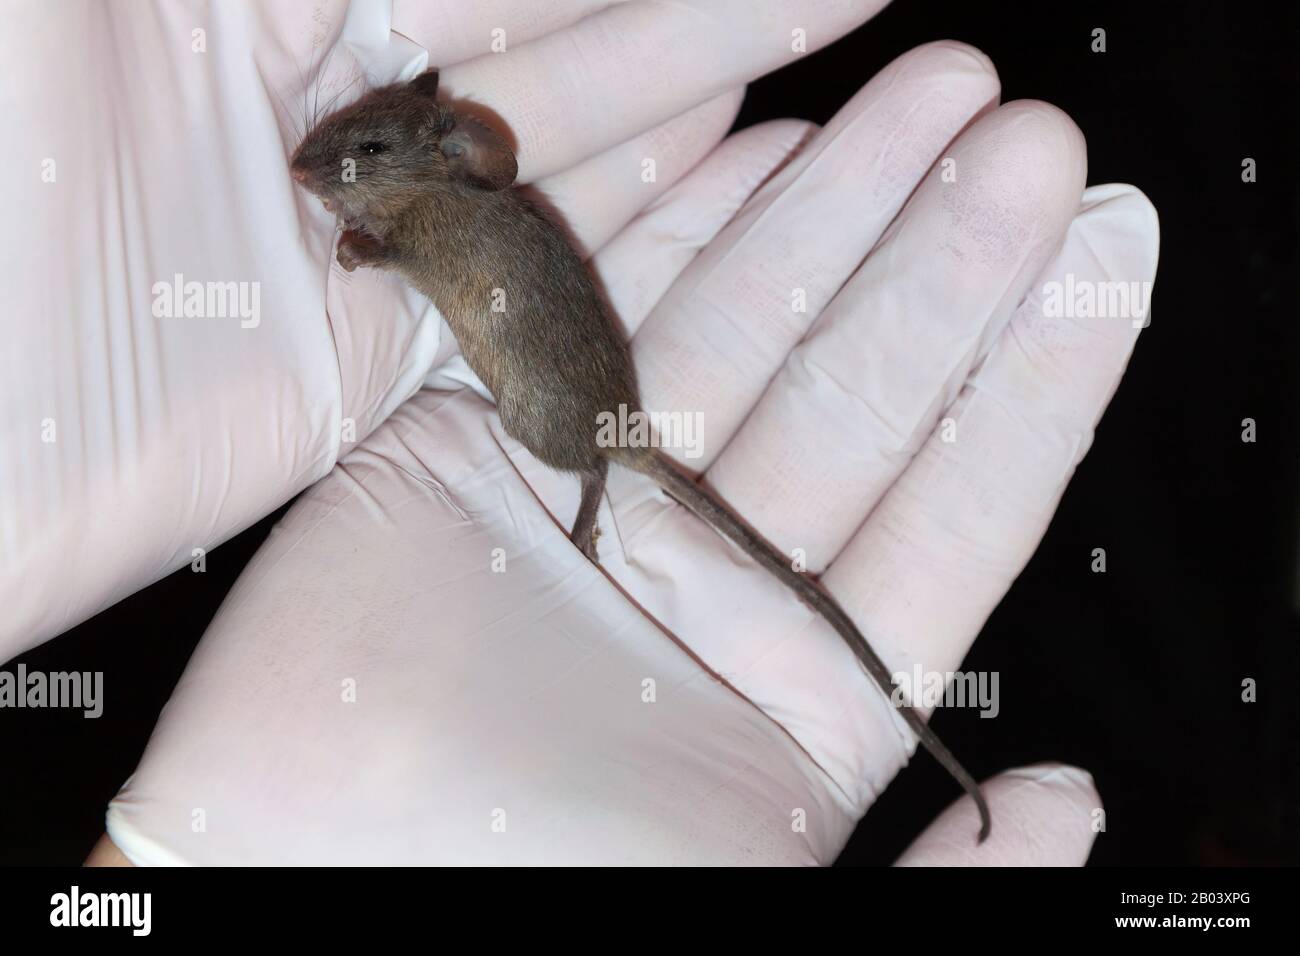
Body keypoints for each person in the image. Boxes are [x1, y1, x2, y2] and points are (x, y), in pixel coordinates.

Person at [2, 0, 1157, 865]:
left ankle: (594, 499)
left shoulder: (439, 217)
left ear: (430, 165)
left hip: (557, 404)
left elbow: (413, 250)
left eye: (359, 164)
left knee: (566, 429)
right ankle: (596, 497)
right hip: (562, 380)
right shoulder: (447, 189)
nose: (326, 174)